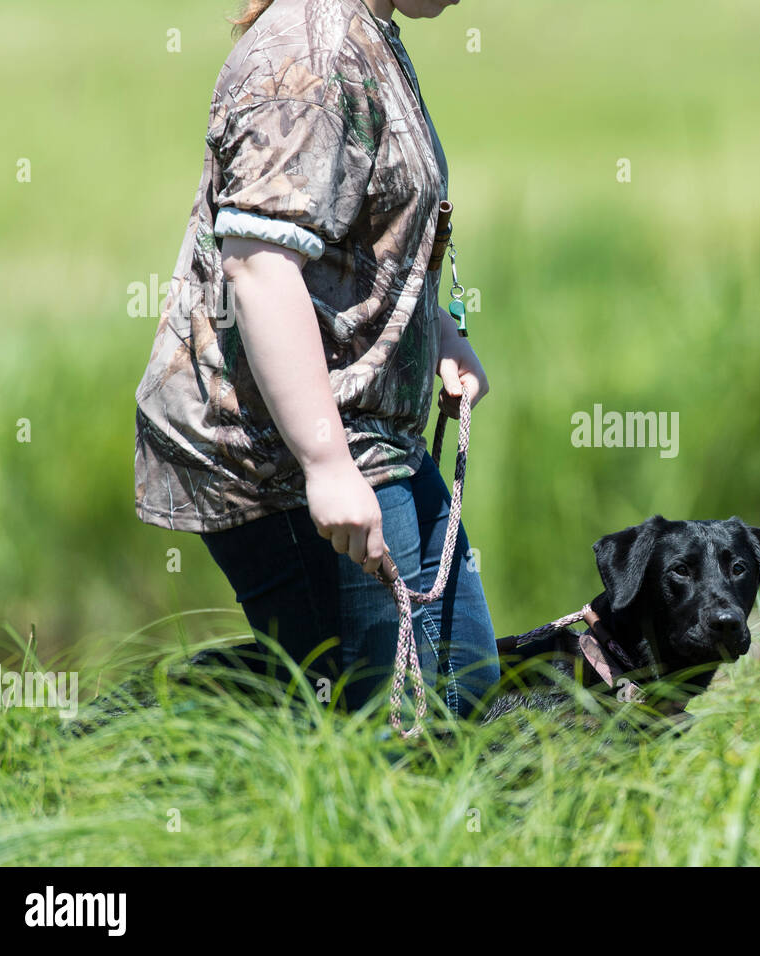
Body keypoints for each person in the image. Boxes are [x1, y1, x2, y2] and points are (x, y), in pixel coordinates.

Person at [132, 0, 498, 719]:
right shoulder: (313, 52)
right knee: (395, 719)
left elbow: (359, 238)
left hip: (367, 432)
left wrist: (438, 339)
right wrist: (326, 464)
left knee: (463, 684)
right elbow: (260, 267)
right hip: (282, 455)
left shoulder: (366, 31)